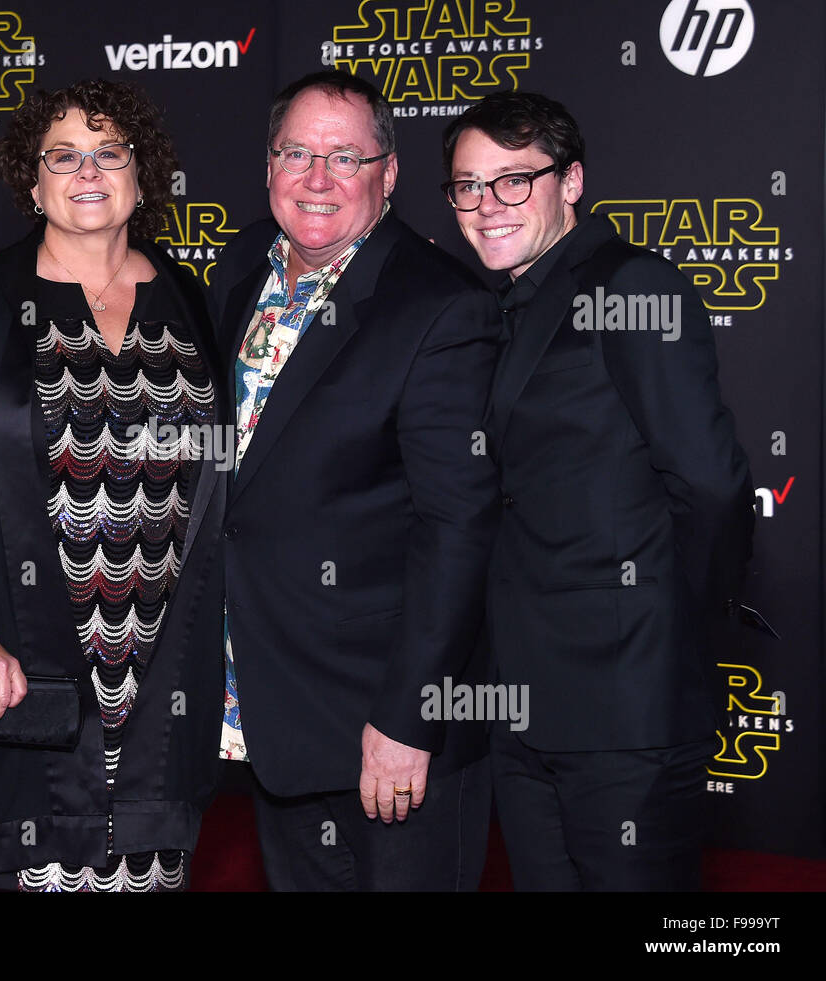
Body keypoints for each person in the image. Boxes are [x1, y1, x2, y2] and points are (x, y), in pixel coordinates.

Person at [0, 78, 225, 891]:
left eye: (109, 152)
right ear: (33, 184)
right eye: (62, 156)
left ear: (143, 174)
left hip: (160, 680)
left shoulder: (191, 303)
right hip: (18, 671)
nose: (87, 171)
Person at [442, 91, 754, 890]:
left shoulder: (632, 286)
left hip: (625, 713)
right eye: (468, 186)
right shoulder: (491, 301)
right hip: (519, 709)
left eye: (514, 181)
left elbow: (712, 485)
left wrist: (666, 625)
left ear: (571, 180)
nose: (486, 206)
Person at [206, 70, 499, 891]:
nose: (318, 177)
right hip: (272, 705)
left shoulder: (440, 306)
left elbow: (460, 527)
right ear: (268, 167)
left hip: (388, 726)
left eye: (346, 156)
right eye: (296, 152)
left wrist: (410, 716)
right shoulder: (238, 273)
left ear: (390, 173)